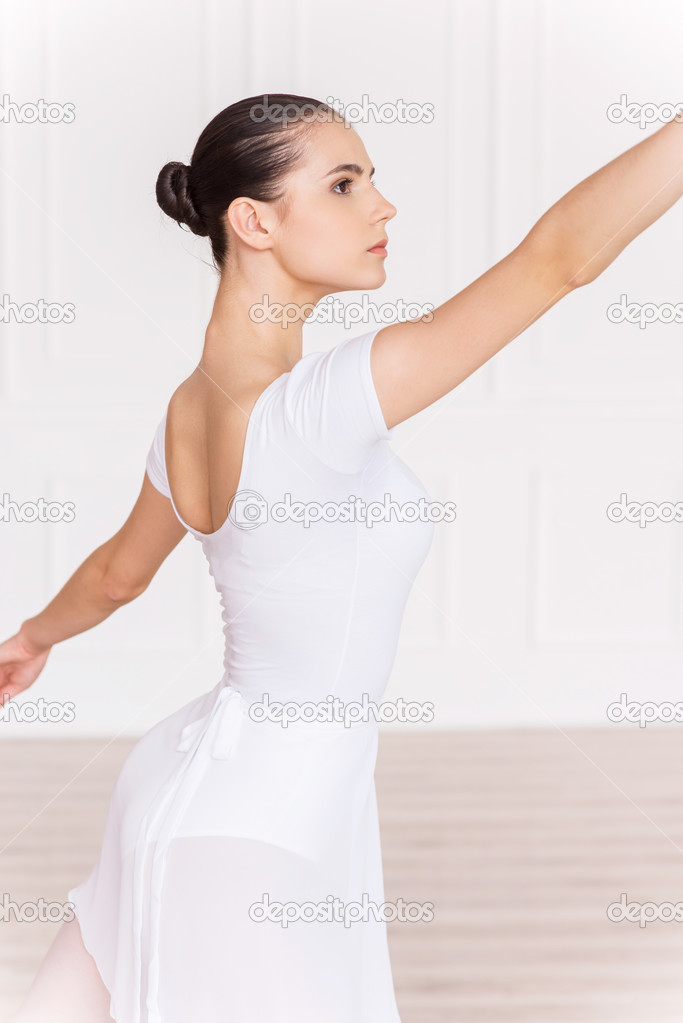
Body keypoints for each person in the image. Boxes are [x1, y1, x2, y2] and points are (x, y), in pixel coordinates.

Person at [1, 92, 682, 1023]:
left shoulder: (189, 410)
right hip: (257, 831)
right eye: (343, 184)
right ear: (254, 222)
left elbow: (118, 575)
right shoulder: (320, 405)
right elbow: (556, 259)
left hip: (196, 788)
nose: (381, 205)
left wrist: (31, 639)